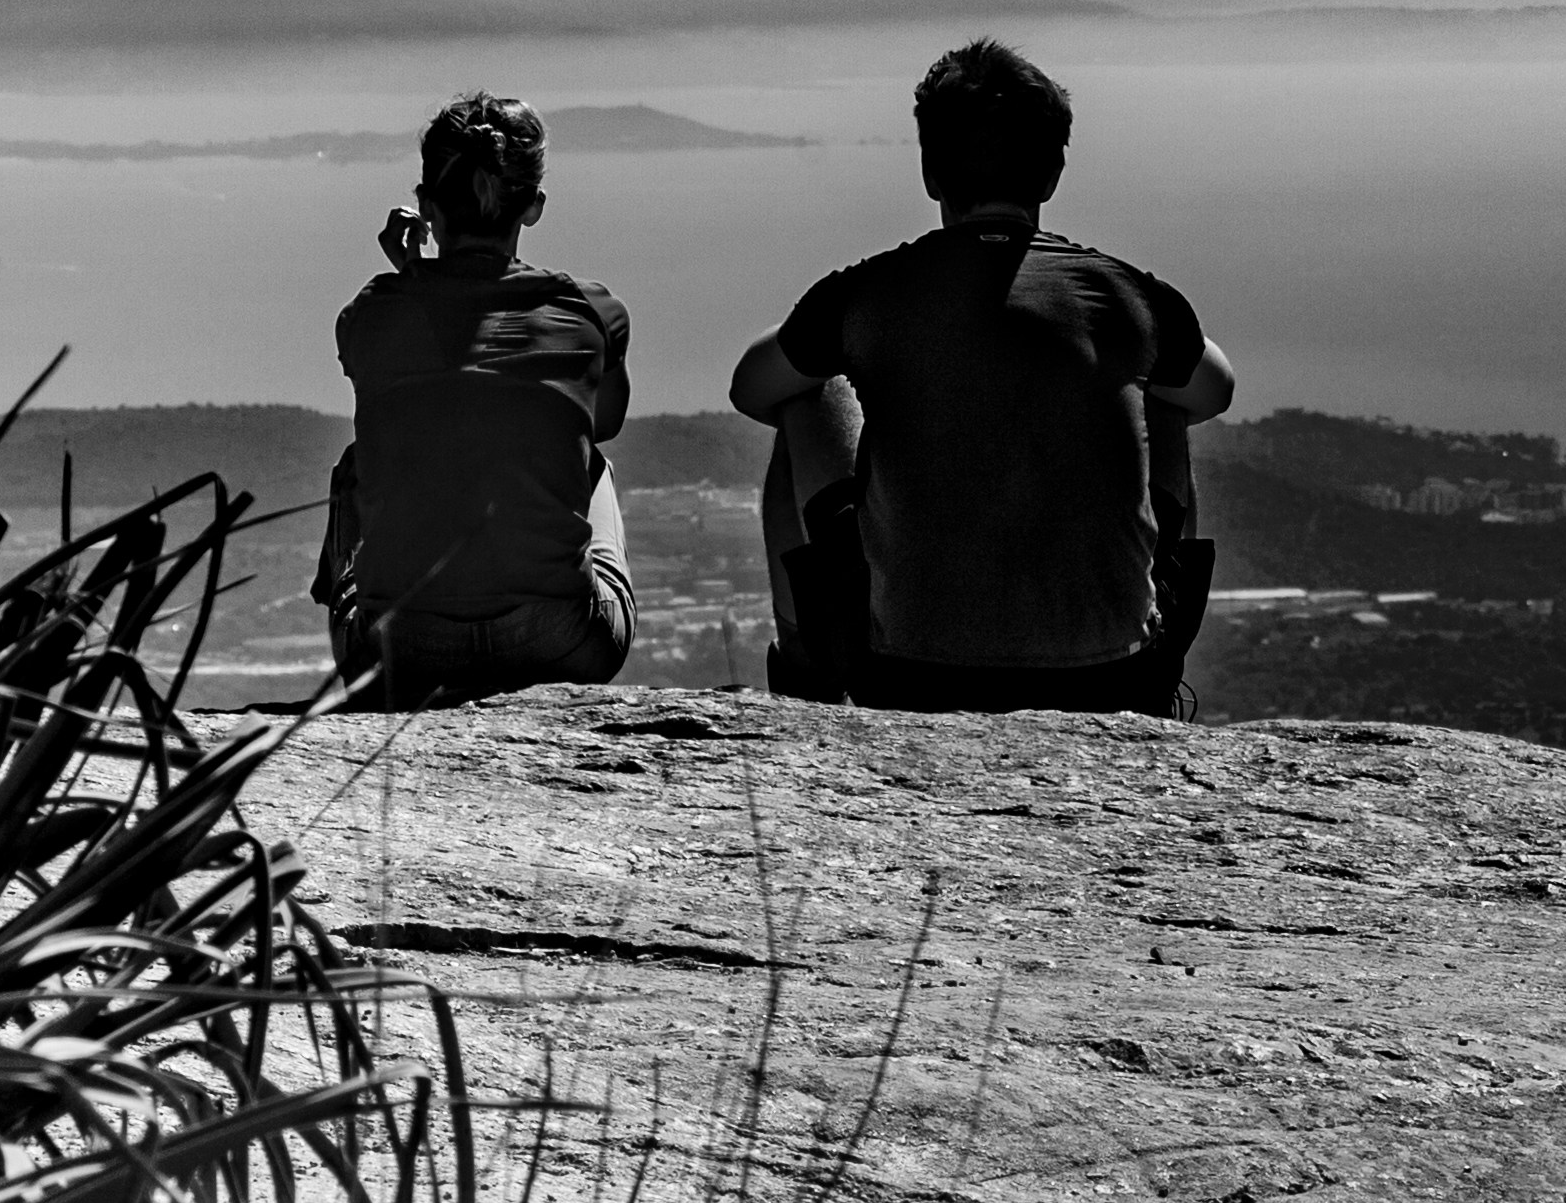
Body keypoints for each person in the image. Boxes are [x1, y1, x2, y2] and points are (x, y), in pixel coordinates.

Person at [732, 40, 1228, 713]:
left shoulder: (866, 293)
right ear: (1052, 175)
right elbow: (1213, 390)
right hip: (1112, 679)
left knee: (803, 398)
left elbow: (751, 387)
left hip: (909, 675)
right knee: (1165, 400)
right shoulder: (1129, 297)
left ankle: (806, 676)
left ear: (932, 174)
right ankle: (1158, 675)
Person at [314, 92, 636, 705]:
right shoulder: (590, 313)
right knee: (592, 464)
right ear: (534, 206)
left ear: (426, 206)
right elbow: (606, 422)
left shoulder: (373, 315)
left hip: (399, 650)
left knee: (357, 464)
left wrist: (412, 276)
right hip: (563, 641)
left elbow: (424, 386)